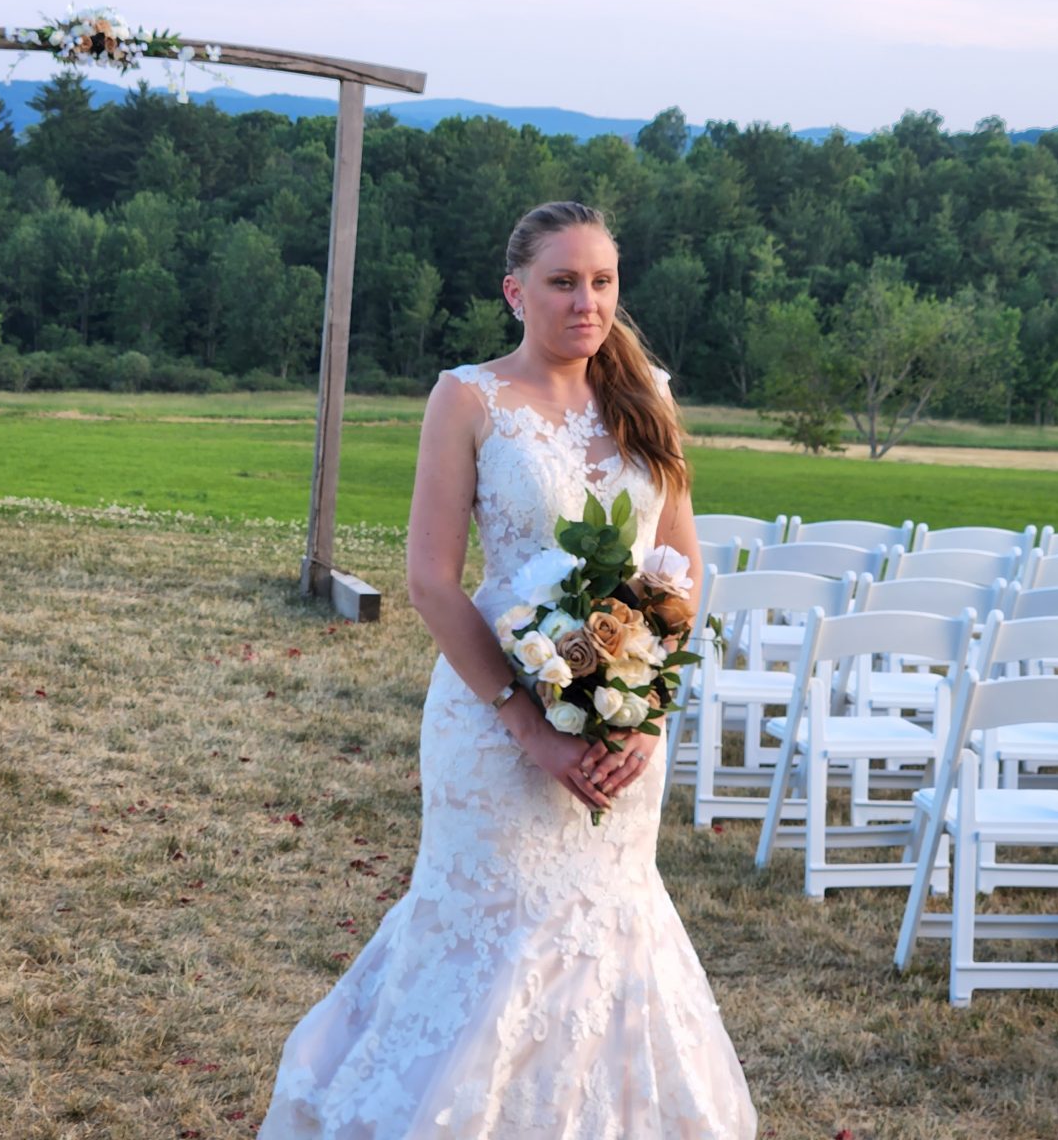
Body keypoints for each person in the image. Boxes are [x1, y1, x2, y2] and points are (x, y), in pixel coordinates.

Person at [258, 201, 757, 1138]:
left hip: (622, 730)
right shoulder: (469, 398)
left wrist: (643, 716)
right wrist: (533, 730)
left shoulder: (647, 396)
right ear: (515, 292)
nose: (586, 301)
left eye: (602, 281)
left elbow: (680, 571)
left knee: (603, 938)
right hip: (496, 725)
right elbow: (431, 581)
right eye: (563, 282)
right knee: (497, 935)